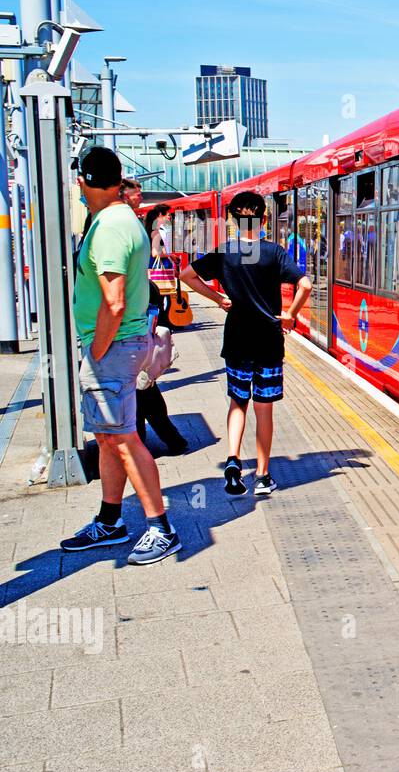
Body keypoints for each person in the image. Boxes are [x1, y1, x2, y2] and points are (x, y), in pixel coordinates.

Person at [60, 147, 182, 565]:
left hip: (111, 348)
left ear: (83, 182)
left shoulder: (110, 226)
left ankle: (160, 528)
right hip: (119, 345)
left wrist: (95, 352)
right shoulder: (121, 220)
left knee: (125, 439)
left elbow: (113, 302)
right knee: (109, 438)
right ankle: (111, 521)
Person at [179, 191, 311, 497]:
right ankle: (262, 477)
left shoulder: (225, 252)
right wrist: (290, 314)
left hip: (236, 341)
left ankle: (233, 460)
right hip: (268, 342)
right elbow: (304, 284)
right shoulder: (274, 253)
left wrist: (218, 298)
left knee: (238, 402)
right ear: (264, 219)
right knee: (264, 409)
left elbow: (187, 275)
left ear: (234, 221)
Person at [136, 281, 188, 456]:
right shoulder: (147, 285)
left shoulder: (133, 287)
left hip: (132, 351)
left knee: (140, 392)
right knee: (145, 391)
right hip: (146, 353)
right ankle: (173, 439)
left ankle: (139, 444)